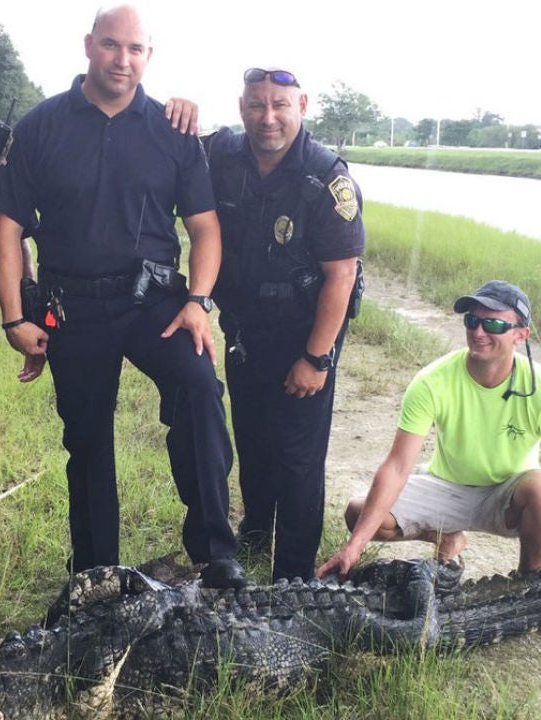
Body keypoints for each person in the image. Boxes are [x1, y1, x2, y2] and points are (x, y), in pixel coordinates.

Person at [0, 4, 246, 588]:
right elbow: (6, 225)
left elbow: (205, 227)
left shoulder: (173, 130)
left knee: (201, 387)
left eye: (135, 49)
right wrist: (13, 319)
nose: (122, 59)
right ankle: (96, 572)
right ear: (88, 45)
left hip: (154, 301)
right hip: (72, 307)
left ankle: (216, 551)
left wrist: (198, 301)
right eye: (111, 45)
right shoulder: (41, 126)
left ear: (148, 56)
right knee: (87, 438)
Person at [318, 280, 541, 583]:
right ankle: (446, 538)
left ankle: (527, 577)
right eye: (472, 321)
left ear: (521, 335)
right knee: (358, 513)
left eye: (494, 324)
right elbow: (396, 466)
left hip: (507, 496)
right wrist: (355, 546)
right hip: (447, 486)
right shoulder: (432, 381)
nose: (479, 332)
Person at [203, 67, 364, 582]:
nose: (267, 117)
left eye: (279, 105)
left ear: (303, 106)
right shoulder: (222, 155)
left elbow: (341, 276)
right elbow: (166, 139)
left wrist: (316, 358)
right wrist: (176, 107)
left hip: (305, 334)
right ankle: (256, 532)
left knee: (297, 458)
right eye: (255, 104)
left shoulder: (328, 177)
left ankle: (292, 576)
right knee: (251, 438)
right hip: (247, 332)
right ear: (241, 106)